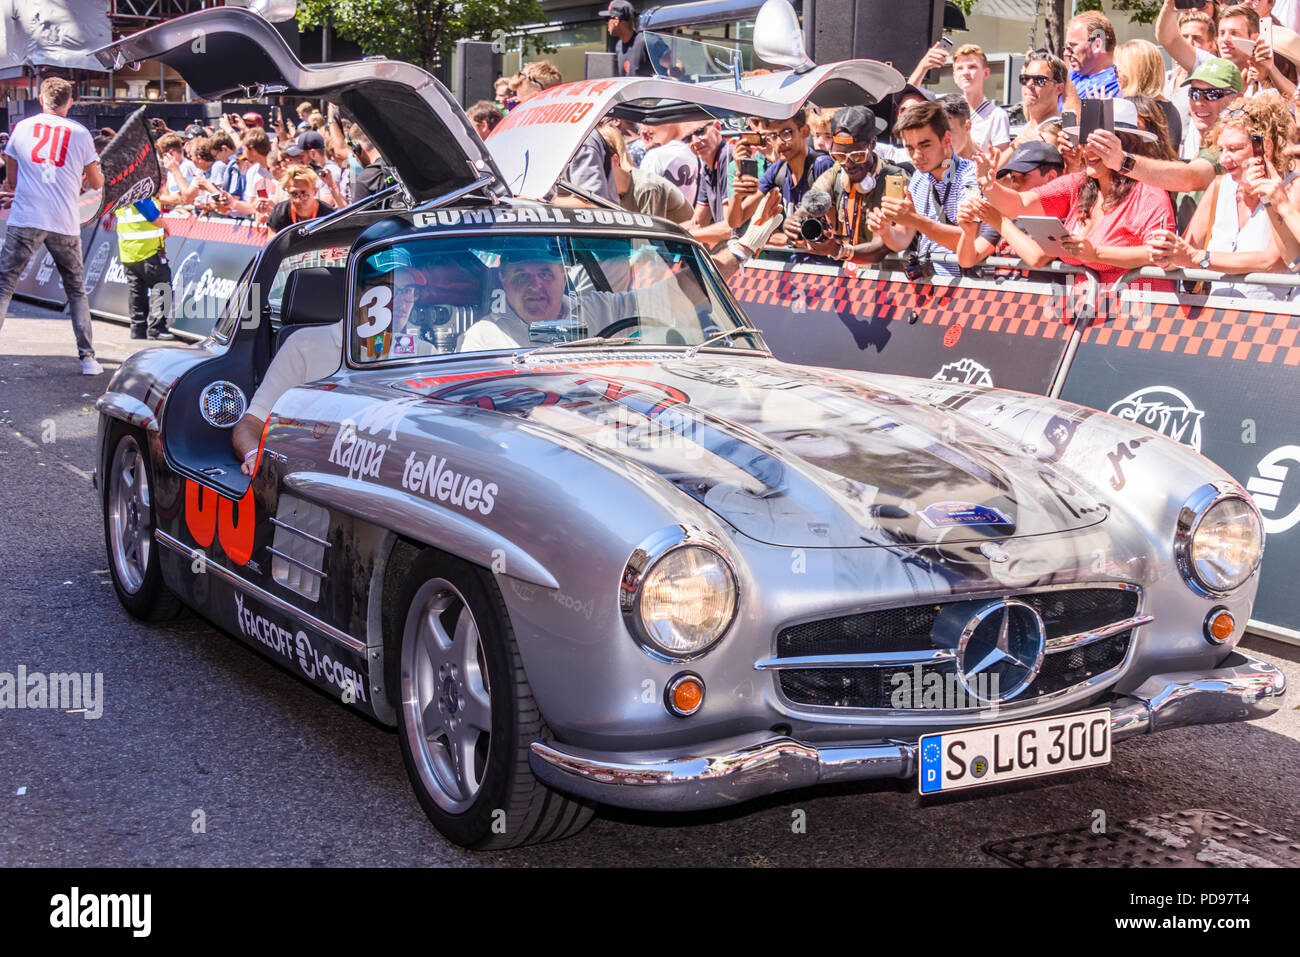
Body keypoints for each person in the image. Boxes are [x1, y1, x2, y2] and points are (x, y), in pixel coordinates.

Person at [976, 97, 1175, 288]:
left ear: (1126, 144)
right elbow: (1019, 205)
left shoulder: (1149, 193)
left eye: (1099, 142)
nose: (1087, 149)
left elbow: (1158, 253)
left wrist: (1096, 253)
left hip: (1136, 315)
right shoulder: (1076, 184)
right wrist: (989, 185)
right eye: (1084, 140)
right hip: (1085, 313)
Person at [0, 77, 104, 374]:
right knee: (75, 290)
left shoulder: (22, 128)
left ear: (41, 99)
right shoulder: (81, 133)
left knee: (4, 285)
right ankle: (88, 359)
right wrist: (79, 180)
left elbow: (11, 182)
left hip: (27, 217)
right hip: (64, 220)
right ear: (70, 102)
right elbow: (96, 183)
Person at [1150, 92, 1298, 299]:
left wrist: (1198, 258)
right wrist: (1168, 254)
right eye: (1221, 149)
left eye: (1235, 149)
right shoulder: (1220, 186)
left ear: (1265, 148)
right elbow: (1186, 250)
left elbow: (1272, 261)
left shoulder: (1292, 188)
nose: (1224, 159)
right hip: (1219, 319)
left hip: (1271, 319)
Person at [1087, 58, 1244, 231]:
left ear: (1237, 99)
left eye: (1212, 94)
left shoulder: (1227, 151)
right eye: (1194, 93)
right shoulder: (1204, 149)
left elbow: (1189, 178)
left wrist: (1122, 160)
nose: (1199, 102)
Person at [869, 100, 981, 278]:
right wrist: (884, 230)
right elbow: (902, 240)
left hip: (968, 289)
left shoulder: (972, 177)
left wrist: (916, 220)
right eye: (910, 148)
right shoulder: (918, 178)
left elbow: (969, 239)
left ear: (946, 140)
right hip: (931, 286)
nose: (917, 156)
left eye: (925, 145)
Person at [789, 106, 909, 266]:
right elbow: (809, 206)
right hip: (850, 278)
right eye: (839, 156)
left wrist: (838, 251)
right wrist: (794, 222)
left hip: (891, 281)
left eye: (857, 156)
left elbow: (880, 249)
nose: (849, 164)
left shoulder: (895, 181)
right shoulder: (835, 174)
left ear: (872, 144)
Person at [956, 142, 1066, 269]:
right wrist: (968, 232)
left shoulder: (1064, 213)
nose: (1016, 184)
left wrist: (999, 222)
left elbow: (1037, 258)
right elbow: (967, 260)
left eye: (1024, 176)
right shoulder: (1011, 216)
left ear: (1051, 177)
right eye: (1013, 177)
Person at [728, 110, 833, 232]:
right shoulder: (778, 169)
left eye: (786, 134)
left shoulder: (822, 165)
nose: (779, 142)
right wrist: (737, 195)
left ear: (804, 131)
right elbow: (736, 222)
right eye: (773, 136)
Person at [600, 126, 693, 223]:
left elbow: (652, 234)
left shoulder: (645, 187)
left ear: (615, 160)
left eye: (599, 165)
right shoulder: (613, 194)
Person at [114, 195, 174, 340]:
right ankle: (157, 328)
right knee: (162, 287)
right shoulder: (140, 194)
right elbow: (150, 213)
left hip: (128, 253)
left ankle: (137, 329)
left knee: (136, 291)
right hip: (148, 251)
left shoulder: (121, 194)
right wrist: (164, 225)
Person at [1116, 40, 1183, 152]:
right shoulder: (1171, 109)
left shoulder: (1130, 108)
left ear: (1133, 72)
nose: (1116, 75)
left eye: (1117, 70)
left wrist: (1102, 114)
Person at [682, 120, 734, 246]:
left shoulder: (729, 156)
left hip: (763, 255)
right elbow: (698, 222)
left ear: (717, 127)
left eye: (700, 132)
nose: (695, 141)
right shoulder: (706, 166)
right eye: (688, 138)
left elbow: (730, 228)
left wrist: (682, 235)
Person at [952, 44, 1011, 152]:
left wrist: (965, 136)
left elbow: (1000, 162)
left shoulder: (996, 115)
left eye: (972, 67)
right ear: (954, 76)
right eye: (960, 68)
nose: (965, 72)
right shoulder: (949, 112)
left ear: (986, 73)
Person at [1013, 50, 1072, 151]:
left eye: (1040, 81)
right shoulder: (1029, 128)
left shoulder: (1054, 134)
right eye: (1025, 78)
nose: (1029, 85)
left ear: (1059, 88)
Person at [639, 122, 701, 205]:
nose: (643, 131)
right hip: (686, 216)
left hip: (659, 216)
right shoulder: (692, 152)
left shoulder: (655, 156)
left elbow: (645, 201)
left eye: (648, 123)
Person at [1064, 11, 1122, 99]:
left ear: (1097, 45)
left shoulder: (1118, 82)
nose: (1066, 53)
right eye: (1066, 47)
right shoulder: (1072, 76)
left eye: (1073, 45)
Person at [285, 129, 346, 208]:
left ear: (313, 153)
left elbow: (325, 205)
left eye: (301, 156)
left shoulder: (330, 171)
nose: (299, 160)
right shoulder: (319, 171)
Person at [265, 165, 334, 234]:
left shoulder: (328, 214)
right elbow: (271, 242)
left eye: (303, 193)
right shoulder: (279, 212)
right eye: (294, 194)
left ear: (315, 191)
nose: (298, 200)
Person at [600, 0, 653, 77]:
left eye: (607, 19)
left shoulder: (646, 41)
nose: (606, 23)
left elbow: (673, 64)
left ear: (616, 21)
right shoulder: (619, 47)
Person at [939, 93, 975, 160]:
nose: (942, 140)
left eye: (948, 132)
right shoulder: (929, 167)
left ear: (967, 127)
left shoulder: (990, 166)